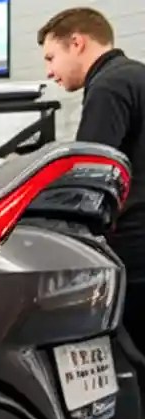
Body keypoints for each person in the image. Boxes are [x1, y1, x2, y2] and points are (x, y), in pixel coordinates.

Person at [39, 8, 145, 375]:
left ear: (77, 42)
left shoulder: (109, 85)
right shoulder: (138, 76)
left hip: (135, 245)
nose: (49, 72)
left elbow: (92, 175)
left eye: (52, 58)